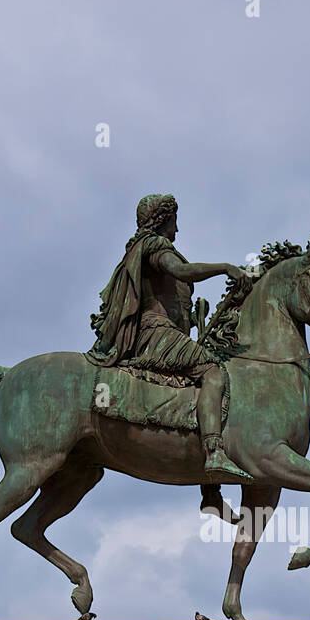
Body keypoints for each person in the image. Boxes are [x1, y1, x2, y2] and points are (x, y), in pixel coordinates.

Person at [88, 193, 251, 490]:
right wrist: (225, 268)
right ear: (163, 221)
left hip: (162, 332)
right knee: (212, 370)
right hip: (155, 333)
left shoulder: (139, 249)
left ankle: (211, 492)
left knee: (194, 388)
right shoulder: (154, 246)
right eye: (174, 222)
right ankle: (214, 452)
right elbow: (182, 271)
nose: (177, 231)